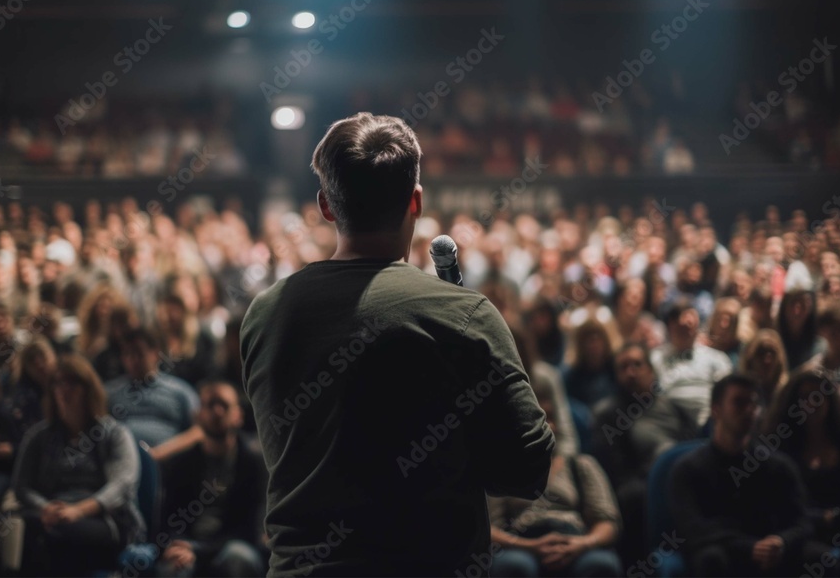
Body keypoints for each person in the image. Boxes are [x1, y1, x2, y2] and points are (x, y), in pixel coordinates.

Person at [240, 113, 555, 576]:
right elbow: (527, 471)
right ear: (416, 201)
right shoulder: (462, 315)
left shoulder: (264, 315)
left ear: (327, 205)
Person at [11, 355, 145, 577]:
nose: (64, 389)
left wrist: (78, 510)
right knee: (21, 526)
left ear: (88, 389)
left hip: (103, 519)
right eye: (58, 383)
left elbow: (122, 486)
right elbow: (21, 486)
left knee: (52, 534)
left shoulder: (114, 434)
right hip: (53, 513)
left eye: (72, 383)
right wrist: (46, 507)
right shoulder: (39, 436)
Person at [670, 374, 814, 576]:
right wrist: (749, 548)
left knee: (819, 557)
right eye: (739, 402)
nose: (749, 410)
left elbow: (802, 521)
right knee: (710, 558)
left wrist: (782, 541)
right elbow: (692, 529)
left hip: (773, 552)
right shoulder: (689, 469)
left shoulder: (778, 466)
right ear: (716, 410)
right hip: (727, 553)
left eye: (753, 404)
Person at [591, 343, 698, 568]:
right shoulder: (608, 414)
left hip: (684, 481)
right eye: (624, 367)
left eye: (637, 364)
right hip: (641, 489)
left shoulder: (675, 408)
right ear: (616, 375)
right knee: (633, 497)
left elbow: (694, 451)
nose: (631, 372)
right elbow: (617, 474)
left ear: (651, 369)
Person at [490, 396, 622, 577]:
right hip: (522, 543)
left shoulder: (580, 465)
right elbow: (489, 529)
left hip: (574, 540)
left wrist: (582, 544)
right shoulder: (503, 471)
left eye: (545, 420)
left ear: (555, 426)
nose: (538, 427)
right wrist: (531, 547)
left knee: (600, 565)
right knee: (514, 567)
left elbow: (607, 522)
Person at [764, 369, 840, 577]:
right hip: (800, 529)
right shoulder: (780, 445)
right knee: (822, 562)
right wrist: (821, 518)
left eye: (819, 396)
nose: (813, 403)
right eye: (805, 397)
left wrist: (837, 517)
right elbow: (778, 505)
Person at [158, 379, 267, 577]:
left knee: (238, 557)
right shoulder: (180, 463)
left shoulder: (252, 463)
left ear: (238, 415)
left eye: (223, 405)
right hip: (187, 545)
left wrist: (200, 551)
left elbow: (250, 529)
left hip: (231, 545)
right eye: (210, 405)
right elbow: (168, 519)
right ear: (198, 415)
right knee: (174, 568)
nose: (217, 412)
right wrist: (176, 545)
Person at [105, 327, 199, 452]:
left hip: (171, 461)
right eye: (127, 354)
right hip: (123, 460)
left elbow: (197, 431)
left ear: (155, 354)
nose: (134, 360)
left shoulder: (180, 391)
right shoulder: (110, 393)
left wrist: (161, 453)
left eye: (139, 353)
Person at [650, 300, 732, 428]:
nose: (686, 331)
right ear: (670, 326)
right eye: (680, 326)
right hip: (667, 421)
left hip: (708, 421)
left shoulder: (716, 358)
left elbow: (726, 394)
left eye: (691, 326)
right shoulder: (655, 357)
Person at [737, 329, 789, 409]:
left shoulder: (787, 395)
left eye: (772, 353)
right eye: (761, 353)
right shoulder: (738, 394)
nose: (767, 361)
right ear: (750, 359)